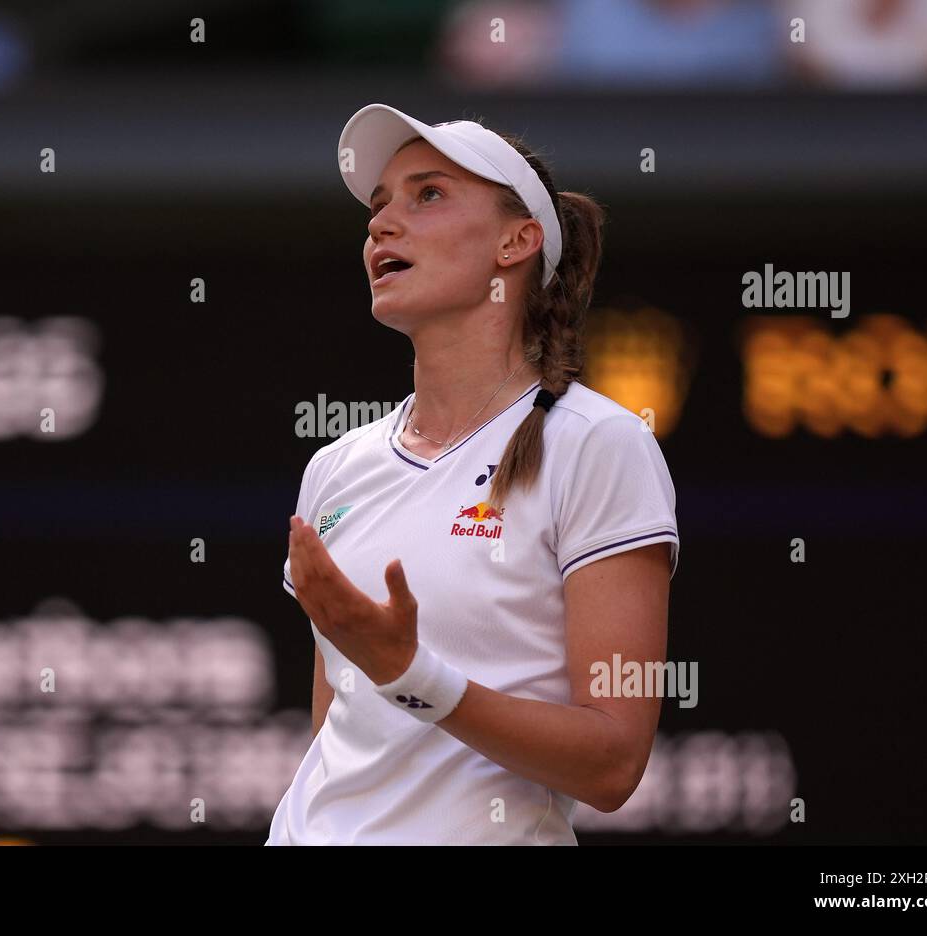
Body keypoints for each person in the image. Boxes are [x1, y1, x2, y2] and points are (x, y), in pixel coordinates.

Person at [267, 104, 680, 845]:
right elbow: (340, 741)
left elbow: (614, 763)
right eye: (379, 204)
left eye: (427, 194)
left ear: (516, 242)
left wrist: (413, 675)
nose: (382, 224)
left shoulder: (600, 443)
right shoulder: (334, 467)